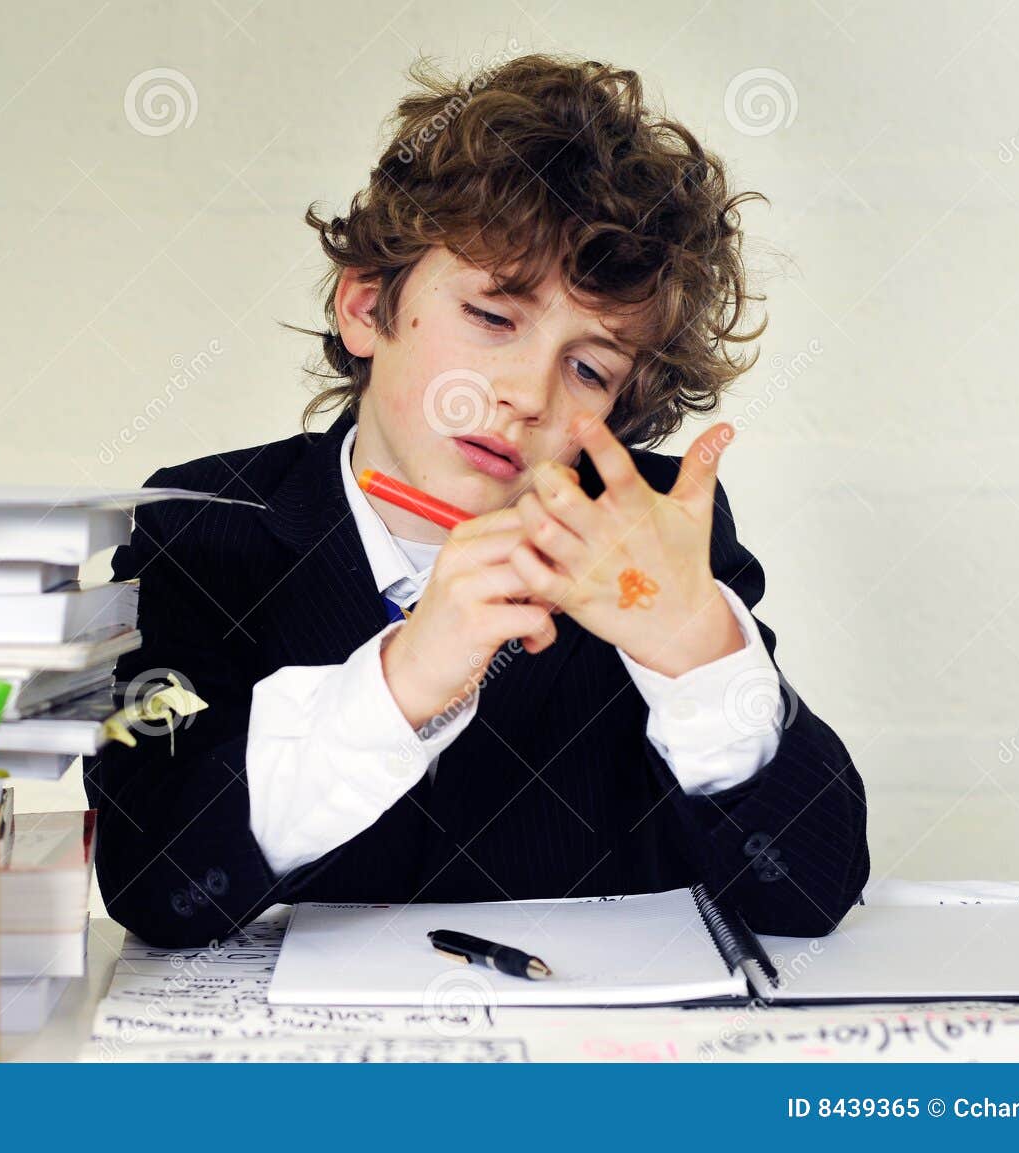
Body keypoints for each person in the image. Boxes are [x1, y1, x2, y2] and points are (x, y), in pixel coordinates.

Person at [85, 53, 869, 948]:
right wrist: (406, 678)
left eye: (588, 368)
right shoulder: (204, 523)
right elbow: (153, 886)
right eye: (494, 317)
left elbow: (805, 895)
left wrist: (698, 654)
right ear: (367, 306)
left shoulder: (651, 535)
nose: (529, 393)